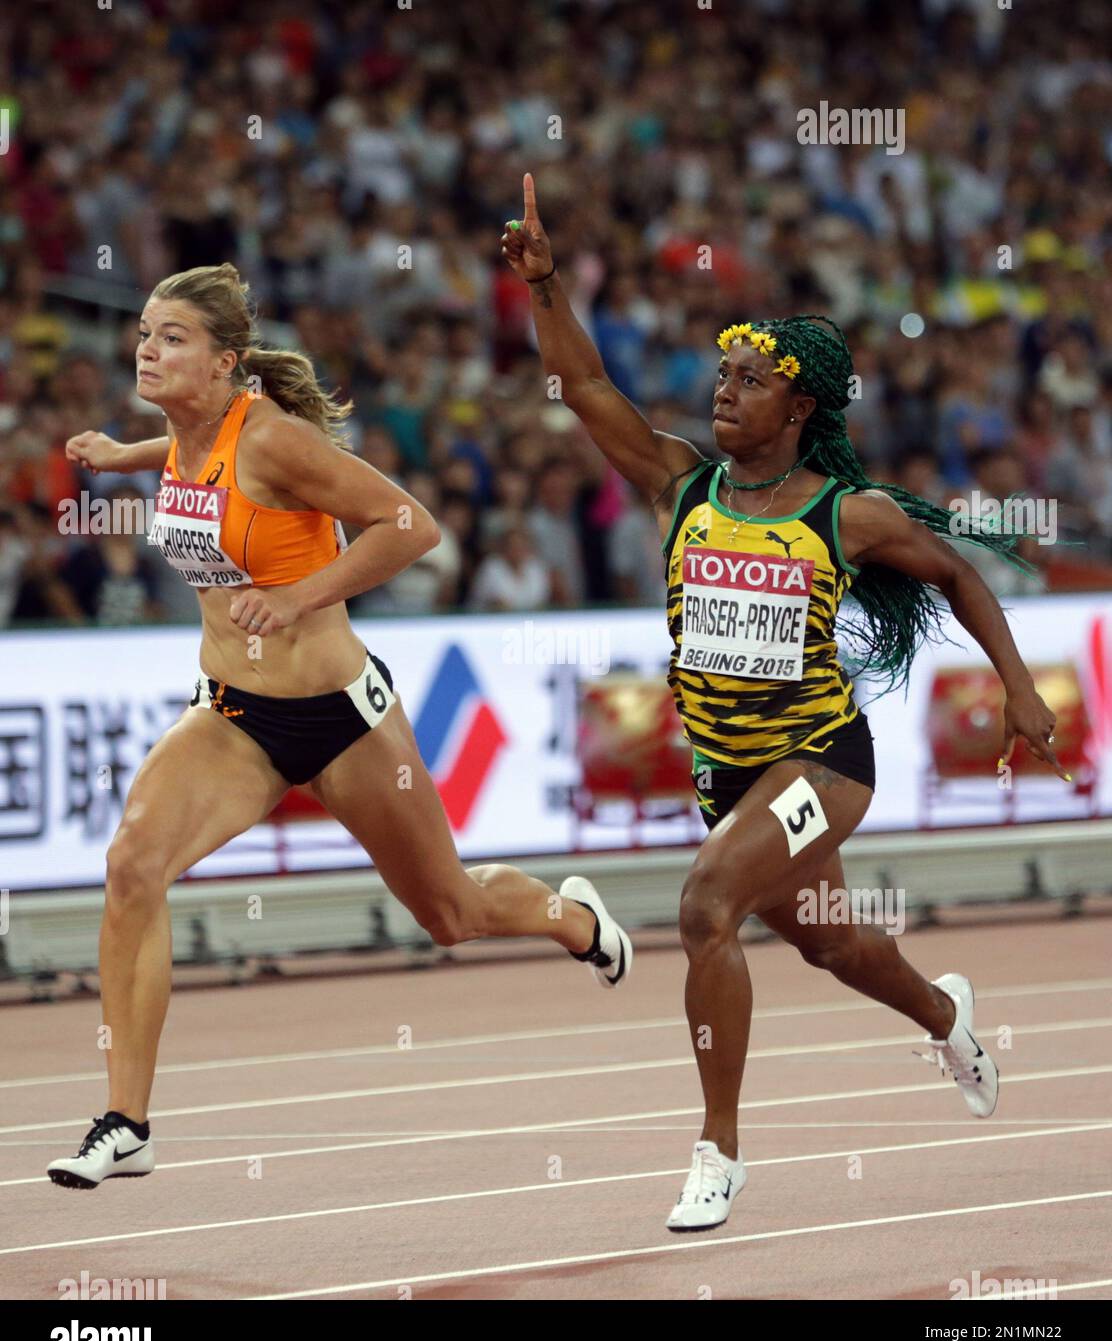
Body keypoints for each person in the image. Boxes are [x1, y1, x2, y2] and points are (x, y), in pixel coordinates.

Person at [502, 173, 1066, 1233]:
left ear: (797, 406)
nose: (722, 390)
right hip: (725, 770)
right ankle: (947, 1017)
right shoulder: (681, 486)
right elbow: (581, 388)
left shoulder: (844, 515)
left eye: (748, 379)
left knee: (704, 905)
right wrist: (543, 287)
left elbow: (955, 574)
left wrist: (1020, 687)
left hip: (822, 760)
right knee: (828, 939)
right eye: (720, 373)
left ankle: (717, 1150)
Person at [47, 262, 631, 1191]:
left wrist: (298, 599)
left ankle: (569, 916)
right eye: (145, 332)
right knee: (132, 866)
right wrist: (116, 454)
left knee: (449, 914)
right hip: (234, 718)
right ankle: (127, 1121)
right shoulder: (182, 430)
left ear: (226, 363)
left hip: (342, 721)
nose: (146, 349)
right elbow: (179, 463)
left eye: (170, 338)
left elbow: (412, 525)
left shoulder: (272, 444)